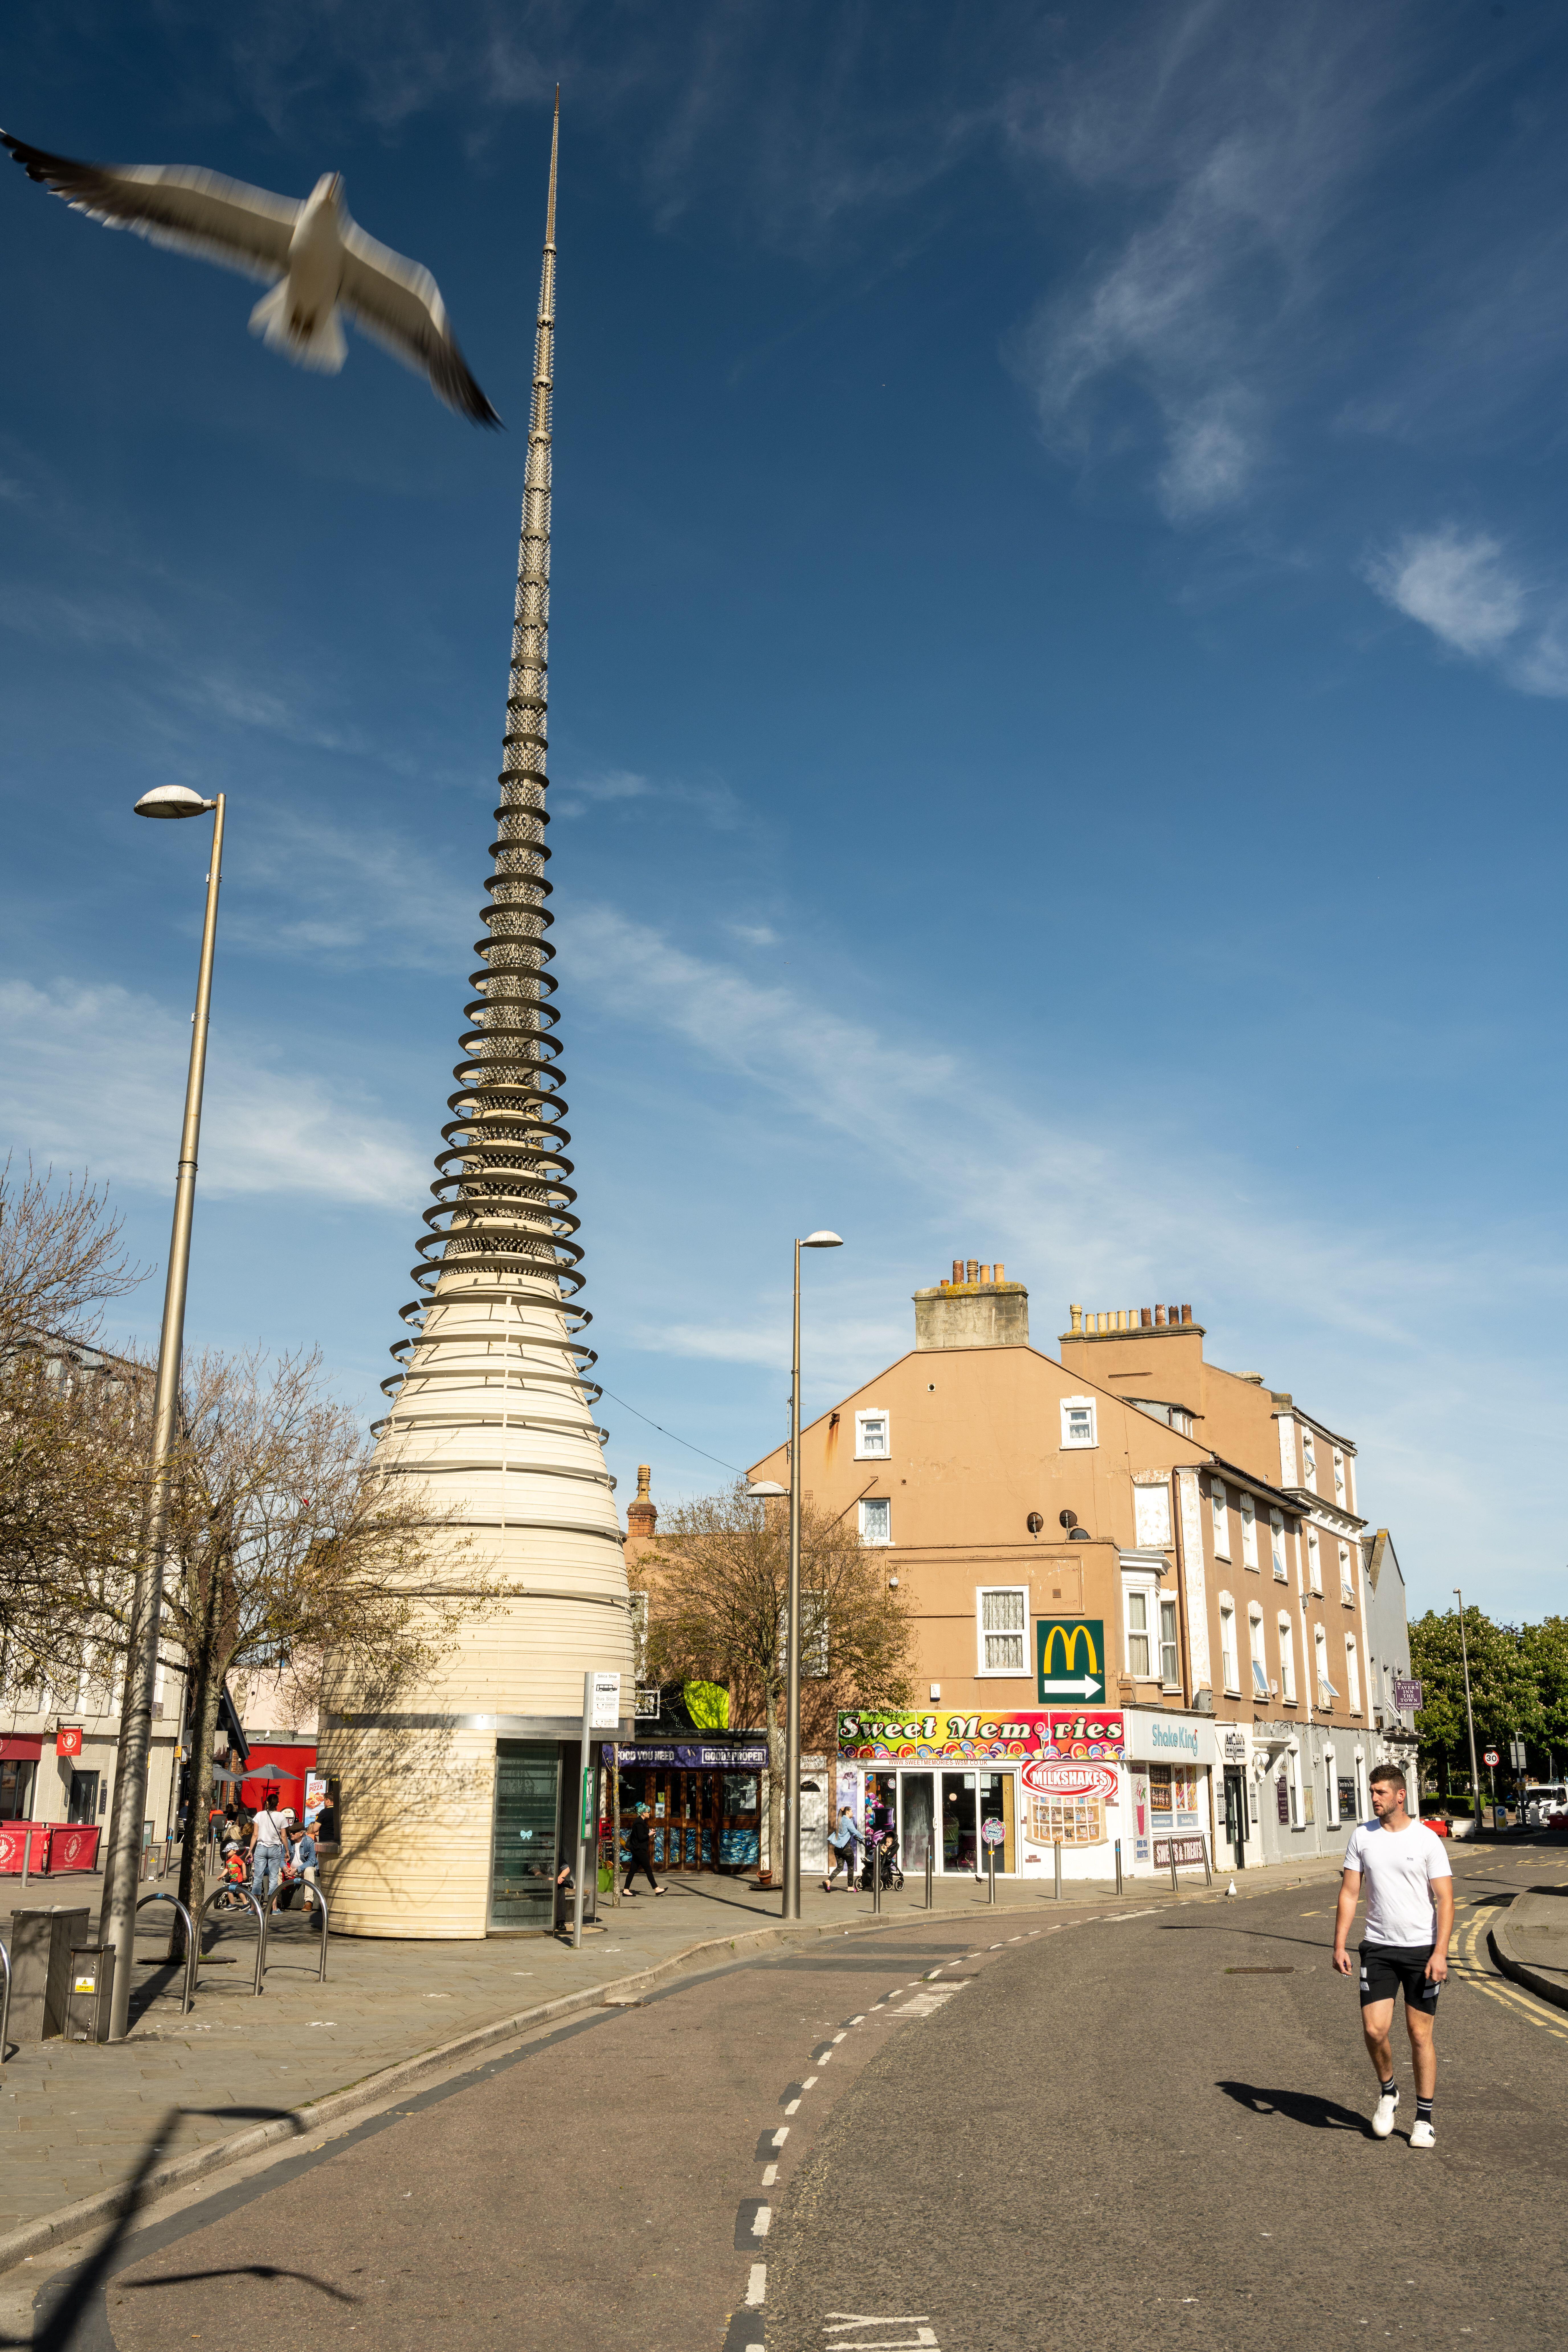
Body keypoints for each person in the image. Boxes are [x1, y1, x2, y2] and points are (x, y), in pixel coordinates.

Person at [1333, 1763, 1453, 2148]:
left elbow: (1446, 1900)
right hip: (1379, 1947)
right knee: (1374, 2029)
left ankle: (1424, 2118)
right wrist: (1339, 1943)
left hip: (1422, 1950)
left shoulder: (1426, 1841)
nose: (1374, 1799)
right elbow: (1350, 1893)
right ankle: (1388, 2091)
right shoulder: (1362, 1837)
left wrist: (1440, 1953)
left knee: (1420, 2035)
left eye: (1380, 1792)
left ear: (1401, 1795)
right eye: (1372, 1792)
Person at [248, 1797, 293, 1908]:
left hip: (261, 1848)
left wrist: (250, 1851)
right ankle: (273, 1908)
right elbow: (284, 1836)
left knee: (258, 1877)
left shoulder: (259, 1815)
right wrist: (287, 1851)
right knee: (273, 1879)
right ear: (278, 1803)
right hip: (275, 1849)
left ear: (267, 1803)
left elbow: (255, 1835)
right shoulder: (281, 1816)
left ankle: (253, 1908)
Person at [623, 1803, 663, 1896]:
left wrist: (651, 1833)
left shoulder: (642, 1823)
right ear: (643, 1813)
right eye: (648, 1812)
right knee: (648, 1869)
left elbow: (642, 1835)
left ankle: (626, 1890)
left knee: (633, 1870)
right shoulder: (639, 1823)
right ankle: (657, 1889)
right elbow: (641, 1837)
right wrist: (649, 1834)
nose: (649, 1814)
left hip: (638, 1849)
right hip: (639, 1850)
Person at [823, 1806, 862, 1892]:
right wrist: (863, 1837)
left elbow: (839, 1815)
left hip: (838, 1849)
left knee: (840, 1867)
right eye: (851, 1811)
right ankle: (850, 1887)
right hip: (846, 1849)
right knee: (851, 1866)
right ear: (848, 1812)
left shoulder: (840, 1820)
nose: (853, 1813)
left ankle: (829, 1881)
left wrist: (840, 1811)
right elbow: (855, 1831)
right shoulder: (848, 1822)